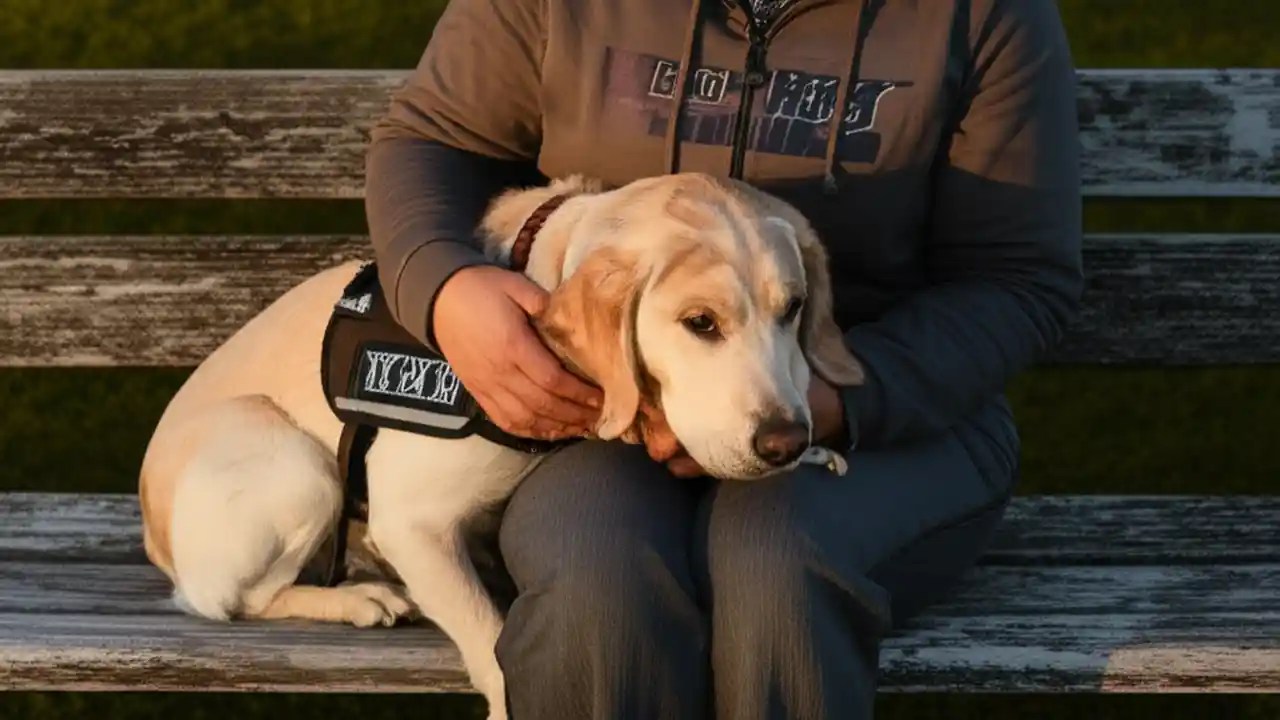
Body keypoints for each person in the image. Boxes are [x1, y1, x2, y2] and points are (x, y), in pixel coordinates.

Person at [363, 0, 1083, 717]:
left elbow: (1018, 279)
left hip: (885, 406)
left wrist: (834, 400)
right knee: (593, 567)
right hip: (607, 403)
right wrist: (445, 286)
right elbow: (435, 141)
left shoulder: (985, 14)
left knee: (774, 559)